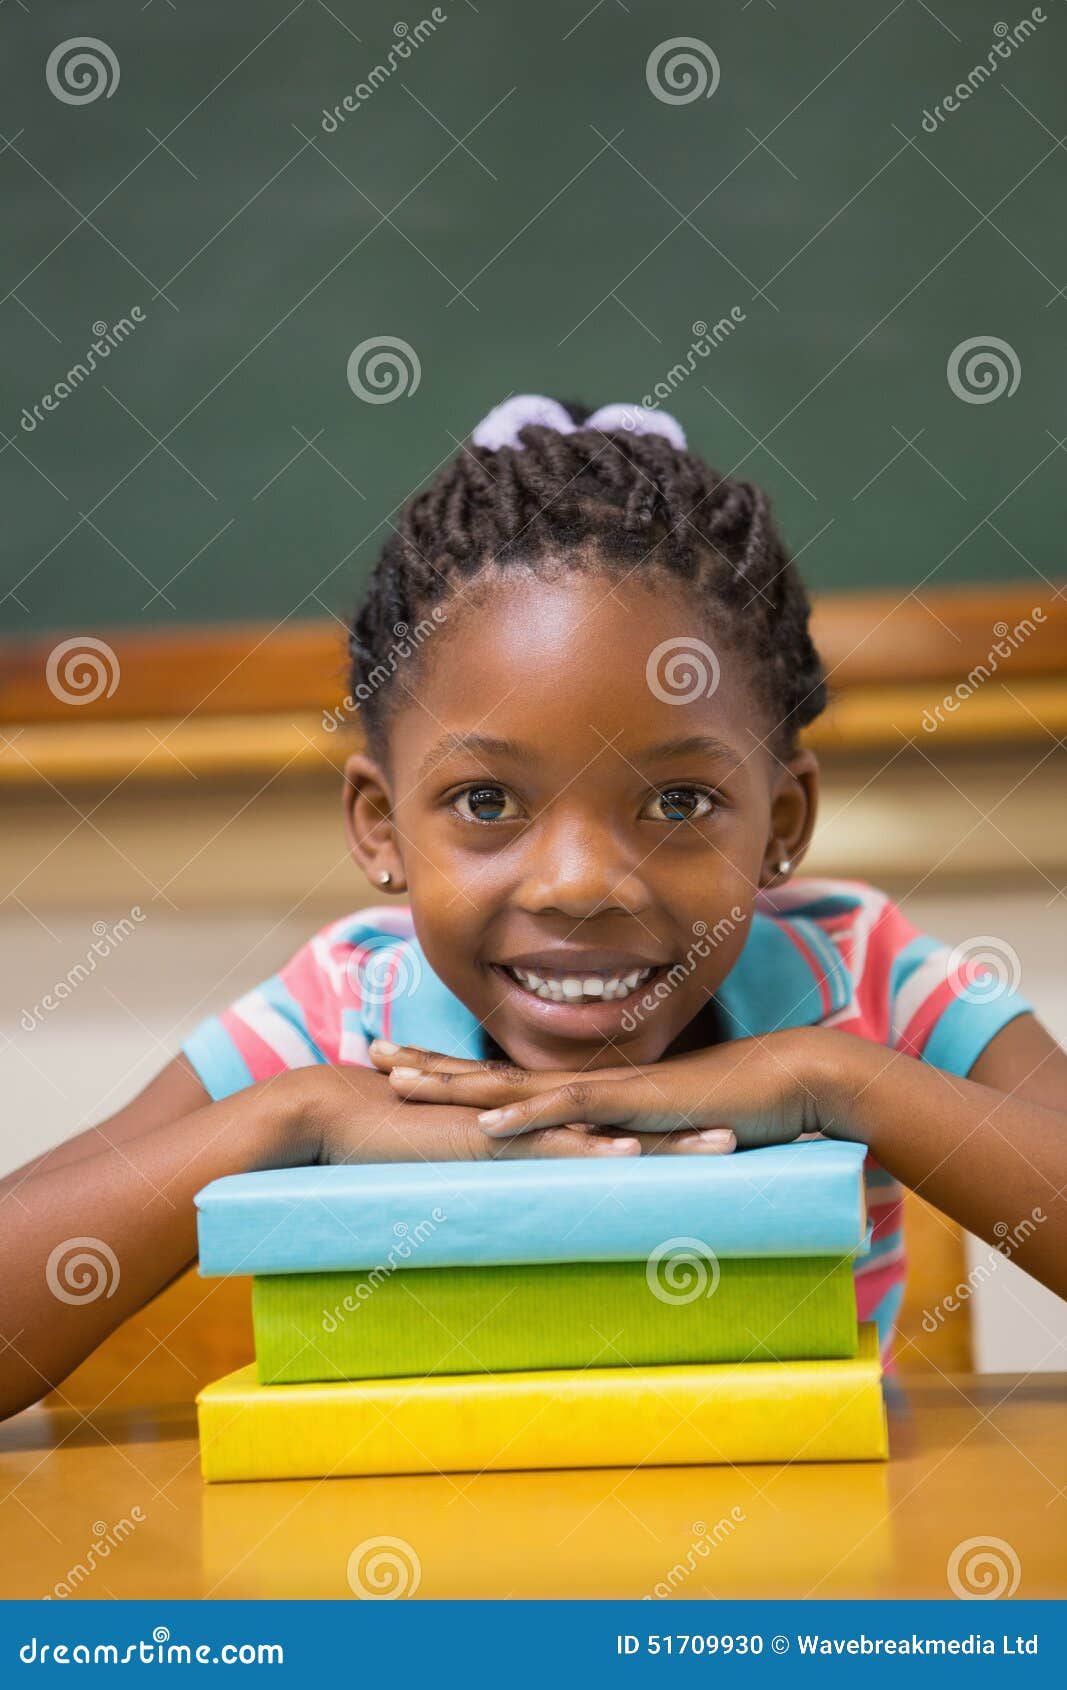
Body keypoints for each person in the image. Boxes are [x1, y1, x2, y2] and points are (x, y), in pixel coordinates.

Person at [2, 395, 1064, 1420]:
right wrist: (298, 1114)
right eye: (486, 800)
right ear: (379, 826)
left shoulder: (859, 971)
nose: (577, 884)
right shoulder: (346, 1004)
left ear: (782, 823)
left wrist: (833, 1076)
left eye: (678, 800)